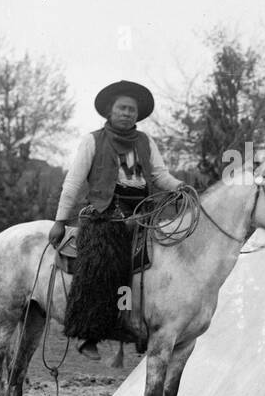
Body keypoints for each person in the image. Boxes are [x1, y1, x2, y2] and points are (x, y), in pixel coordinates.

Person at [48, 80, 183, 359]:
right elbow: (72, 183)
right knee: (103, 263)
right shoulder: (92, 140)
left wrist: (180, 187)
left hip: (143, 212)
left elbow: (159, 175)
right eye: (122, 108)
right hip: (105, 213)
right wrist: (60, 221)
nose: (127, 113)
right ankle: (89, 332)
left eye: (131, 109)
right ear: (109, 112)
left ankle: (140, 326)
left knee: (162, 261)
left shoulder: (145, 141)